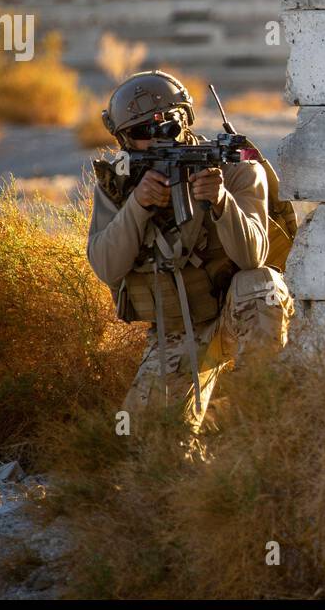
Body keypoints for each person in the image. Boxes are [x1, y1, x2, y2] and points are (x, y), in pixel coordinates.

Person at [85, 69, 294, 442]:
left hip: (235, 315)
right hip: (178, 330)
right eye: (141, 132)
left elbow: (253, 256)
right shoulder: (120, 181)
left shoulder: (235, 169)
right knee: (150, 445)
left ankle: (263, 420)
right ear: (123, 139)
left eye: (167, 124)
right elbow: (105, 265)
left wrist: (220, 201)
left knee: (259, 283)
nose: (156, 137)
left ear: (186, 119)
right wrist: (138, 205)